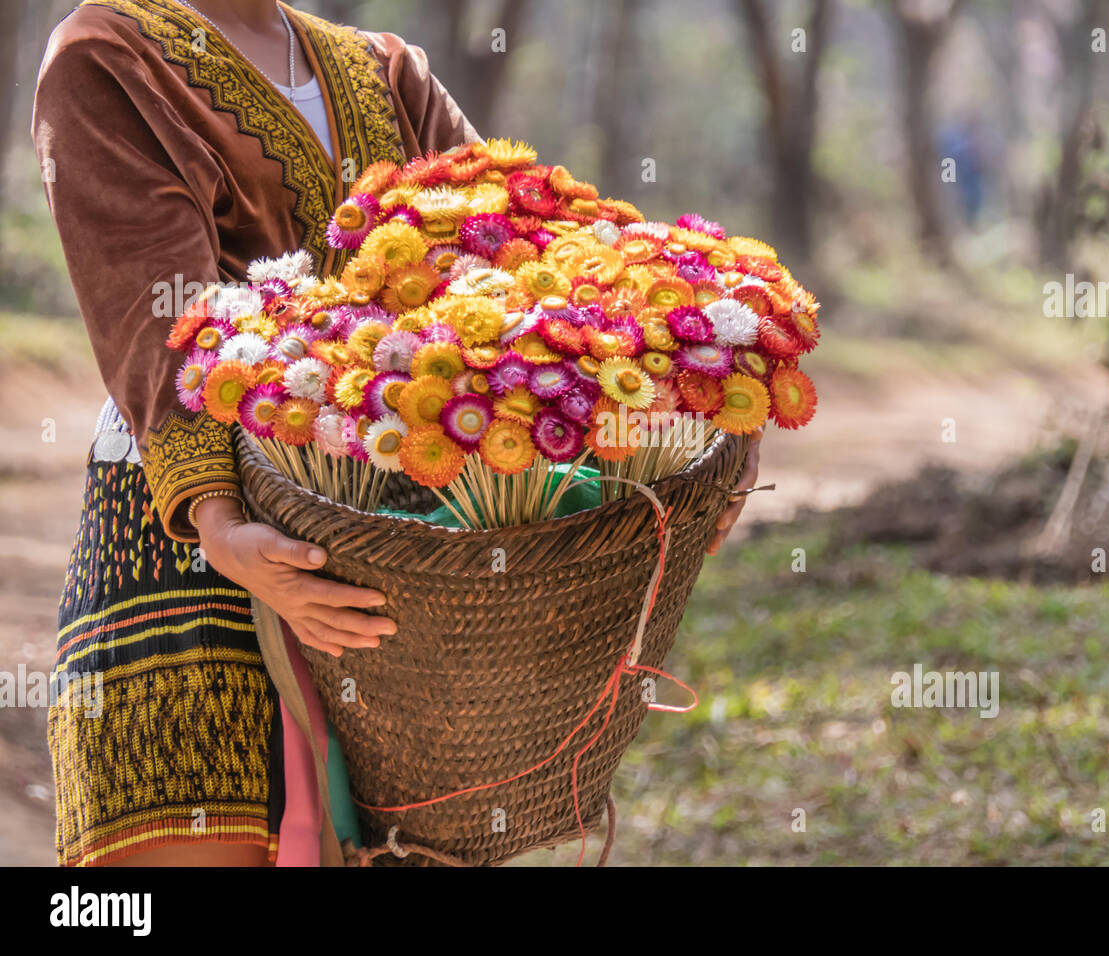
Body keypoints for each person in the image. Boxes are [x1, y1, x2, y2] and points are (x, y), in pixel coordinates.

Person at [35, 0, 760, 867]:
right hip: (191, 534)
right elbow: (156, 310)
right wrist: (220, 522)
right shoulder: (109, 54)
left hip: (400, 521)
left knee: (397, 842)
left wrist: (697, 426)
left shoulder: (384, 68)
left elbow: (531, 267)